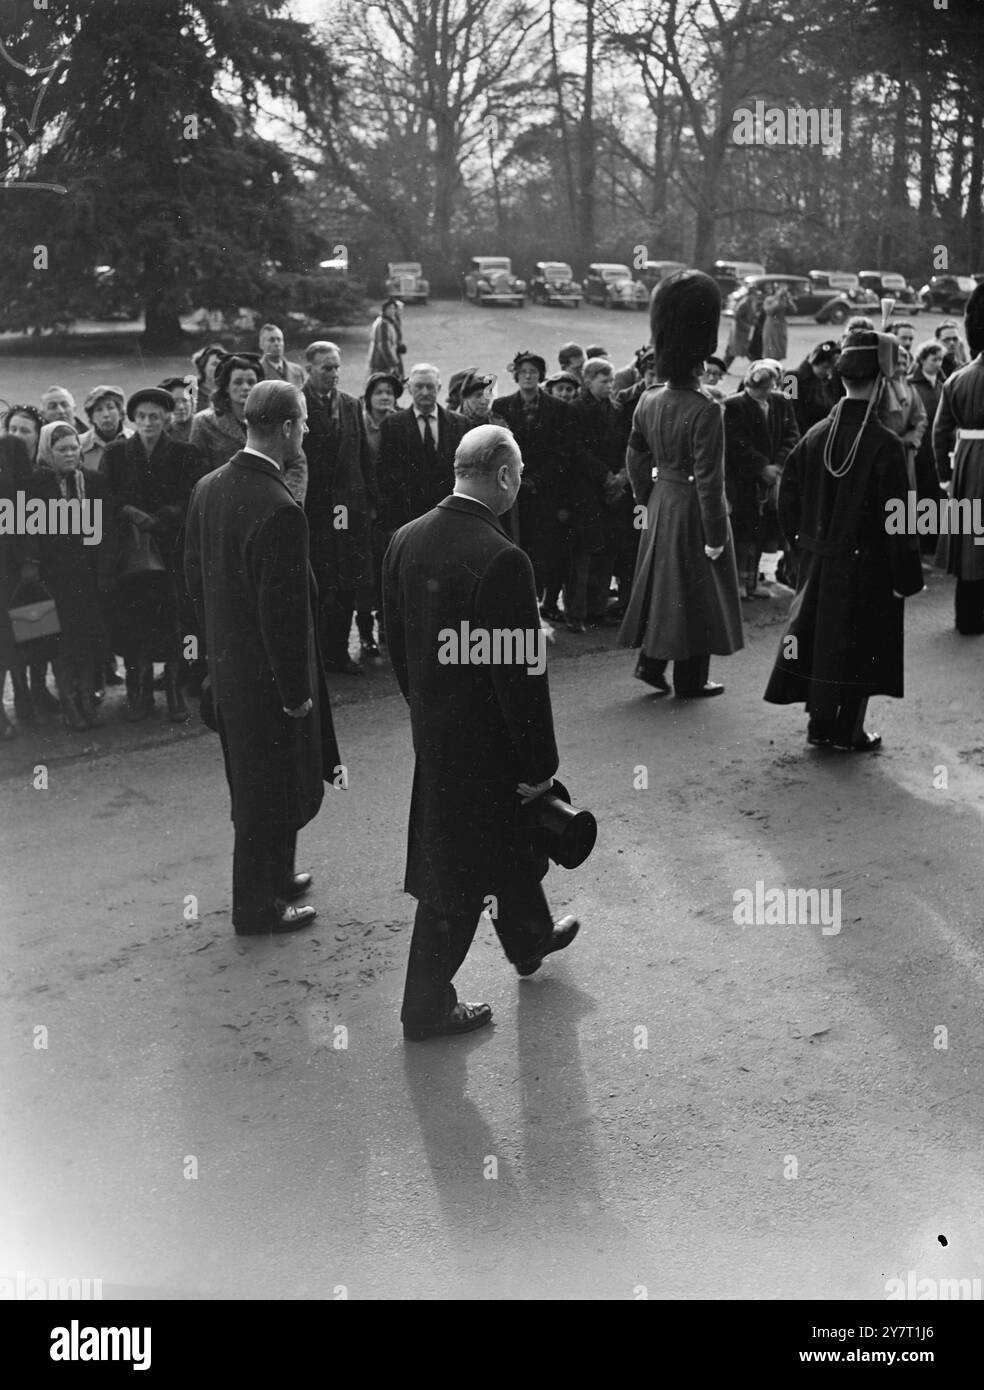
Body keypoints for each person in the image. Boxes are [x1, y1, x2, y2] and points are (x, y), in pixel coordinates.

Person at [382, 424, 580, 1041]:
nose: (519, 487)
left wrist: (428, 708)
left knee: (489, 850)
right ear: (501, 475)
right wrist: (539, 766)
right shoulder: (502, 557)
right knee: (458, 878)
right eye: (518, 477)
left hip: (436, 732)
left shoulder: (404, 539)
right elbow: (521, 679)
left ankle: (528, 937)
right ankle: (425, 1006)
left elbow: (397, 646)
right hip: (488, 747)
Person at [185, 380, 341, 936]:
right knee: (266, 789)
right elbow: (285, 616)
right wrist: (296, 693)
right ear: (287, 428)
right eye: (304, 421)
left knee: (264, 782)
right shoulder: (280, 506)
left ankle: (278, 875)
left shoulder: (209, 486)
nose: (309, 431)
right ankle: (255, 907)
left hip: (231, 669)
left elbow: (193, 579)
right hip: (271, 680)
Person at [764, 329, 924, 748]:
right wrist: (906, 575)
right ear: (882, 383)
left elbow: (786, 501)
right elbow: (899, 521)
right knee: (860, 647)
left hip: (819, 561)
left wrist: (803, 547)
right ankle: (849, 732)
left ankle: (819, 726)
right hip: (866, 568)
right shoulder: (884, 445)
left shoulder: (815, 435)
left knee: (822, 643)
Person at [618, 270, 744, 697]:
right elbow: (710, 479)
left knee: (663, 585)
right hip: (692, 506)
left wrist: (645, 495)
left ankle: (651, 665)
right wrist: (715, 535)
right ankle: (691, 679)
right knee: (697, 594)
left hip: (661, 500)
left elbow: (635, 454)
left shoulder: (649, 397)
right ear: (700, 360)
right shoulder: (706, 409)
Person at [104, 388, 203, 722]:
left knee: (173, 621)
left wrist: (162, 517)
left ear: (167, 419)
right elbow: (106, 495)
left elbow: (192, 495)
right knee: (134, 623)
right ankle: (139, 691)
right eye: (142, 416)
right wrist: (131, 511)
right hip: (130, 553)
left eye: (156, 417)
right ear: (133, 419)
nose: (148, 423)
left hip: (170, 550)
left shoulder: (183, 453)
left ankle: (174, 692)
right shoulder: (117, 452)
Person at [29, 423, 117, 730]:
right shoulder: (35, 486)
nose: (69, 454)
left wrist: (104, 568)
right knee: (60, 647)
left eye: (73, 447)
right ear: (47, 452)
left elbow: (105, 531)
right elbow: (31, 536)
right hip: (52, 580)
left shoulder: (92, 482)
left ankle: (85, 699)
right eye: (61, 449)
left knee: (89, 642)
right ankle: (68, 703)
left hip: (87, 577)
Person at [301, 341, 376, 676]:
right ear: (309, 369)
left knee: (347, 579)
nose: (333, 374)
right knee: (320, 581)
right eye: (325, 368)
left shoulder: (349, 404)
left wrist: (371, 501)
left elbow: (362, 457)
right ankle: (316, 655)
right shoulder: (296, 403)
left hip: (348, 510)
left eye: (336, 367)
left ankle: (339, 652)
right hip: (314, 511)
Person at [493, 350, 575, 614]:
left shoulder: (558, 408)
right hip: (514, 493)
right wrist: (517, 479)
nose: (528, 376)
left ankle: (546, 602)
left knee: (547, 547)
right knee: (517, 545)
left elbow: (562, 451)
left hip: (547, 490)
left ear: (540, 376)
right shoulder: (502, 406)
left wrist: (537, 479)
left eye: (533, 372)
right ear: (516, 376)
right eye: (523, 372)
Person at [723, 359, 800, 598]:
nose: (765, 393)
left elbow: (792, 434)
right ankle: (738, 582)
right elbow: (736, 442)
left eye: (769, 387)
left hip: (772, 479)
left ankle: (756, 580)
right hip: (745, 480)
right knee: (744, 530)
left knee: (765, 530)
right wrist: (761, 467)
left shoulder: (781, 402)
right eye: (760, 389)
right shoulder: (734, 405)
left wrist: (777, 465)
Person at [1, 405, 59, 718]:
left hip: (31, 563)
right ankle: (21, 693)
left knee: (35, 627)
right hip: (4, 565)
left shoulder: (40, 473)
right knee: (8, 636)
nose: (18, 436)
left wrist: (32, 559)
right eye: (13, 429)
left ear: (38, 436)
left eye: (26, 430)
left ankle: (37, 689)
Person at [933, 284, 984, 633]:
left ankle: (967, 618)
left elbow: (940, 432)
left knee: (971, 541)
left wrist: (945, 477)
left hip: (968, 463)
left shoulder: (956, 378)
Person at [190, 353, 307, 505]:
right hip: (224, 505)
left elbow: (297, 461)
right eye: (238, 382)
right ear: (226, 387)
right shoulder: (204, 422)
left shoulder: (275, 417)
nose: (245, 388)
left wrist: (289, 501)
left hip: (272, 501)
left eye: (251, 382)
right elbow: (197, 472)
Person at [375, 363, 467, 540]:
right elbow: (386, 477)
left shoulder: (460, 424)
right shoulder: (392, 425)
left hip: (450, 518)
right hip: (409, 521)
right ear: (409, 388)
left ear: (439, 388)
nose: (425, 392)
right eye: (419, 386)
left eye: (430, 386)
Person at [567, 356, 626, 627]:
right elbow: (576, 451)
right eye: (604, 381)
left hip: (611, 492)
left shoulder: (616, 409)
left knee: (608, 550)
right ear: (588, 381)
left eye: (612, 381)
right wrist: (605, 475)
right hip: (586, 490)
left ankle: (597, 610)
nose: (610, 386)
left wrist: (620, 477)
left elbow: (625, 445)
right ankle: (576, 613)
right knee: (583, 553)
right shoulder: (576, 410)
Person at [359, 371, 403, 654]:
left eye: (390, 392)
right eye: (379, 392)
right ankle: (365, 632)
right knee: (364, 574)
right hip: (364, 509)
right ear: (369, 397)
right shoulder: (360, 423)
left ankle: (386, 624)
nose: (385, 397)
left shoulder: (400, 423)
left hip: (392, 509)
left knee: (389, 569)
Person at [0, 432, 37, 739]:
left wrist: (29, 558)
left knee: (19, 633)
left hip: (10, 564)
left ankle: (28, 694)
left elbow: (29, 507)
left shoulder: (12, 447)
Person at [907, 339, 945, 557]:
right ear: (922, 360)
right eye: (934, 359)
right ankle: (922, 541)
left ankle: (934, 540)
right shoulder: (913, 385)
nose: (938, 364)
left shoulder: (942, 384)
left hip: (937, 446)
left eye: (940, 359)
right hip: (921, 446)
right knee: (922, 491)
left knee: (936, 492)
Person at [877, 344, 926, 490]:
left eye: (904, 364)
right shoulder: (879, 387)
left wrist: (912, 438)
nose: (901, 368)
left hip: (905, 451)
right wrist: (895, 441)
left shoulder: (910, 388)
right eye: (897, 363)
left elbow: (921, 418)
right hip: (883, 450)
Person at [790, 340, 840, 434]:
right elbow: (791, 414)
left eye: (831, 368)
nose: (828, 373)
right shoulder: (791, 379)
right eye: (825, 367)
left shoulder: (829, 381)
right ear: (814, 362)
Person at [79, 385, 130, 472]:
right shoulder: (79, 445)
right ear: (91, 418)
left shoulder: (134, 440)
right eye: (99, 410)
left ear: (121, 413)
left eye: (110, 408)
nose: (106, 414)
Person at [724, 288, 762, 370]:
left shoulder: (750, 303)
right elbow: (737, 317)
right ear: (750, 295)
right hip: (739, 331)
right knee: (737, 350)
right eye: (754, 295)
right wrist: (746, 326)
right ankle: (724, 368)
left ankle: (724, 367)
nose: (756, 297)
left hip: (744, 332)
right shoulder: (744, 303)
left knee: (742, 350)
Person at [258, 323, 306, 387]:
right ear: (261, 345)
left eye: (279, 339)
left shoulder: (297, 371)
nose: (276, 343)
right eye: (271, 340)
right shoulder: (257, 371)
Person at [367, 297, 405, 375]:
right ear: (384, 310)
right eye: (389, 308)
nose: (392, 311)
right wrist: (393, 364)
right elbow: (384, 345)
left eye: (393, 308)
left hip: (384, 363)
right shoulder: (383, 324)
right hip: (381, 364)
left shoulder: (389, 322)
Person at [158, 377, 198, 443]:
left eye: (185, 401)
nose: (181, 407)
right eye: (175, 401)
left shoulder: (202, 429)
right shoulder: (157, 431)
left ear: (192, 403)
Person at [762, 284, 795, 362]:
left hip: (781, 325)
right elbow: (769, 311)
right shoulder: (769, 300)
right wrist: (777, 300)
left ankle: (777, 362)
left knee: (781, 346)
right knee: (771, 347)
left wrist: (788, 300)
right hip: (771, 325)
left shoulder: (784, 300)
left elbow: (794, 310)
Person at [191, 343, 228, 410]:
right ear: (203, 366)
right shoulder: (191, 389)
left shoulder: (229, 390)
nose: (219, 367)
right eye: (214, 364)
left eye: (222, 364)